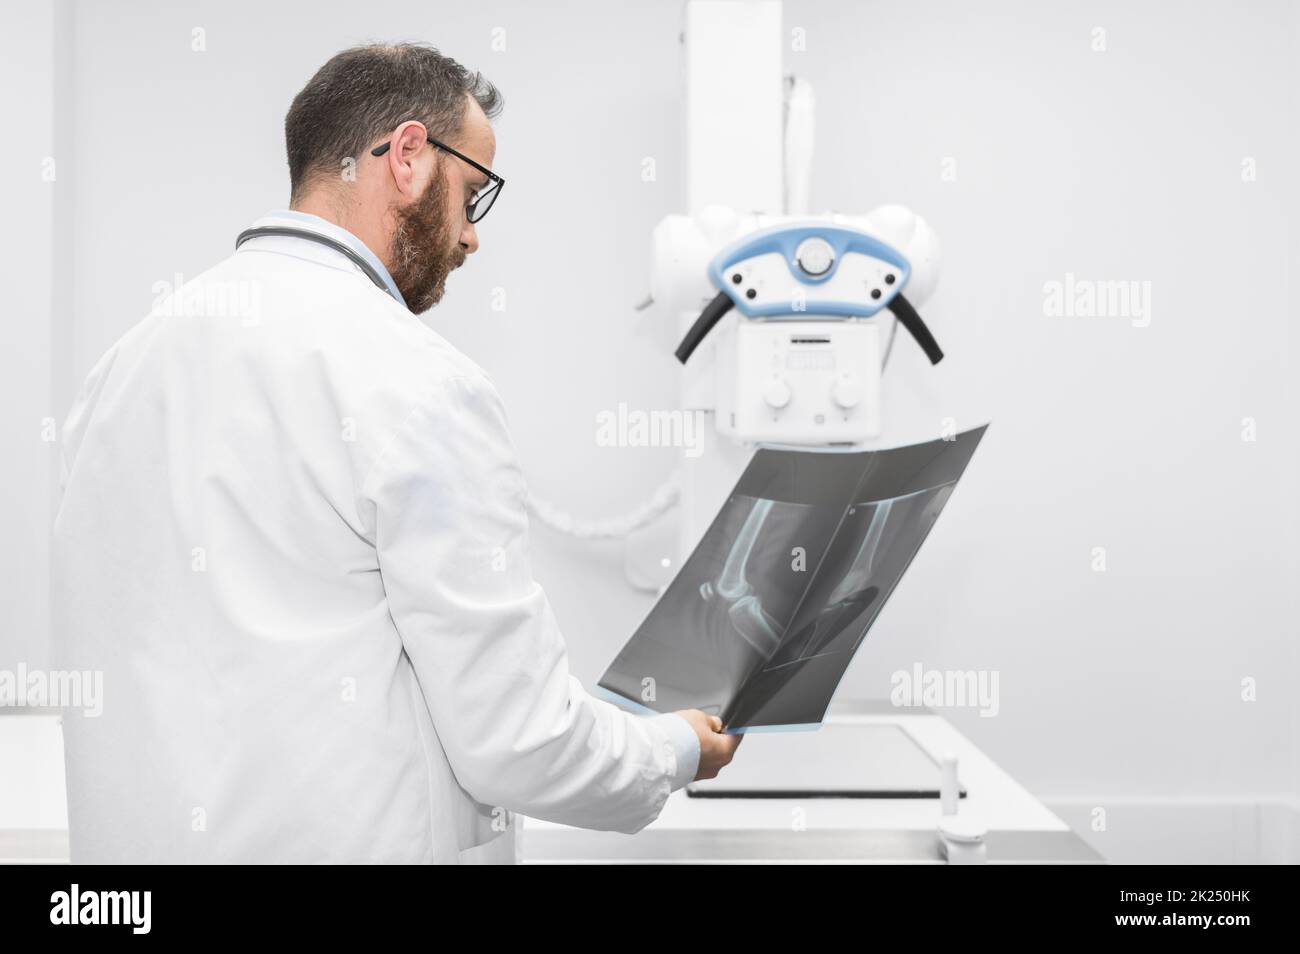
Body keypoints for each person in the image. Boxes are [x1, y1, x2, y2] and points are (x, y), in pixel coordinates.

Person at [52, 42, 740, 864]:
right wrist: (674, 751)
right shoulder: (415, 379)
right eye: (473, 195)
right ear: (409, 156)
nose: (471, 239)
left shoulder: (124, 367)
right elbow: (517, 740)